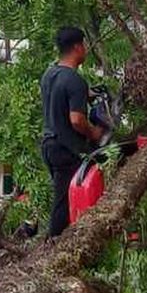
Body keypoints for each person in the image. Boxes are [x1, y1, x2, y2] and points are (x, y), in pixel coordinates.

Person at [40, 26, 104, 238]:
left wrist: (86, 95)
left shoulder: (50, 75)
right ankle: (55, 246)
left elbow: (60, 98)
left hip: (49, 145)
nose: (85, 49)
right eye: (84, 45)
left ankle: (59, 241)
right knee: (65, 202)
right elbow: (76, 120)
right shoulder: (75, 80)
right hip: (67, 148)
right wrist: (93, 132)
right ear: (77, 47)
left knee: (63, 197)